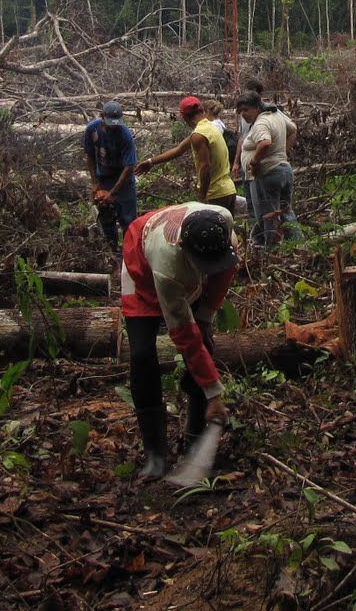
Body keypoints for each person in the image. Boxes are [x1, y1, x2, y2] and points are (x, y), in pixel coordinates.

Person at [120, 202, 239, 477]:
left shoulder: (223, 225)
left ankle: (194, 440)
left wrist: (207, 315)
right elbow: (184, 333)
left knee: (204, 345)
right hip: (141, 267)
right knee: (141, 355)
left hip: (183, 265)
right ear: (187, 250)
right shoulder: (167, 266)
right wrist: (214, 393)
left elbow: (224, 271)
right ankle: (155, 454)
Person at [135, 96, 237, 211]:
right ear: (202, 110)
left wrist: (202, 196)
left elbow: (205, 166)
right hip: (228, 190)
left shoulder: (199, 135)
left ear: (183, 117)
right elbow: (179, 149)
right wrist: (150, 162)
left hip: (215, 194)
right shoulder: (209, 127)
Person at [236, 91, 303, 247]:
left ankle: (271, 250)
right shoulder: (276, 116)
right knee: (285, 211)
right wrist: (283, 152)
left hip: (269, 174)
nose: (243, 114)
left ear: (257, 107)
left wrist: (255, 162)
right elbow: (293, 129)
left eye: (246, 110)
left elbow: (265, 142)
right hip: (283, 170)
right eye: (240, 111)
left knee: (269, 216)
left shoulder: (261, 123)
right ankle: (298, 245)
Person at [82, 99, 137, 255]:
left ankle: (130, 254)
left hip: (123, 181)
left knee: (128, 220)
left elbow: (129, 166)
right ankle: (112, 252)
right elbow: (90, 155)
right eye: (110, 122)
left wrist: (114, 193)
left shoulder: (125, 135)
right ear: (102, 117)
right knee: (106, 217)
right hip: (104, 177)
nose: (113, 126)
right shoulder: (92, 130)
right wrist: (95, 182)